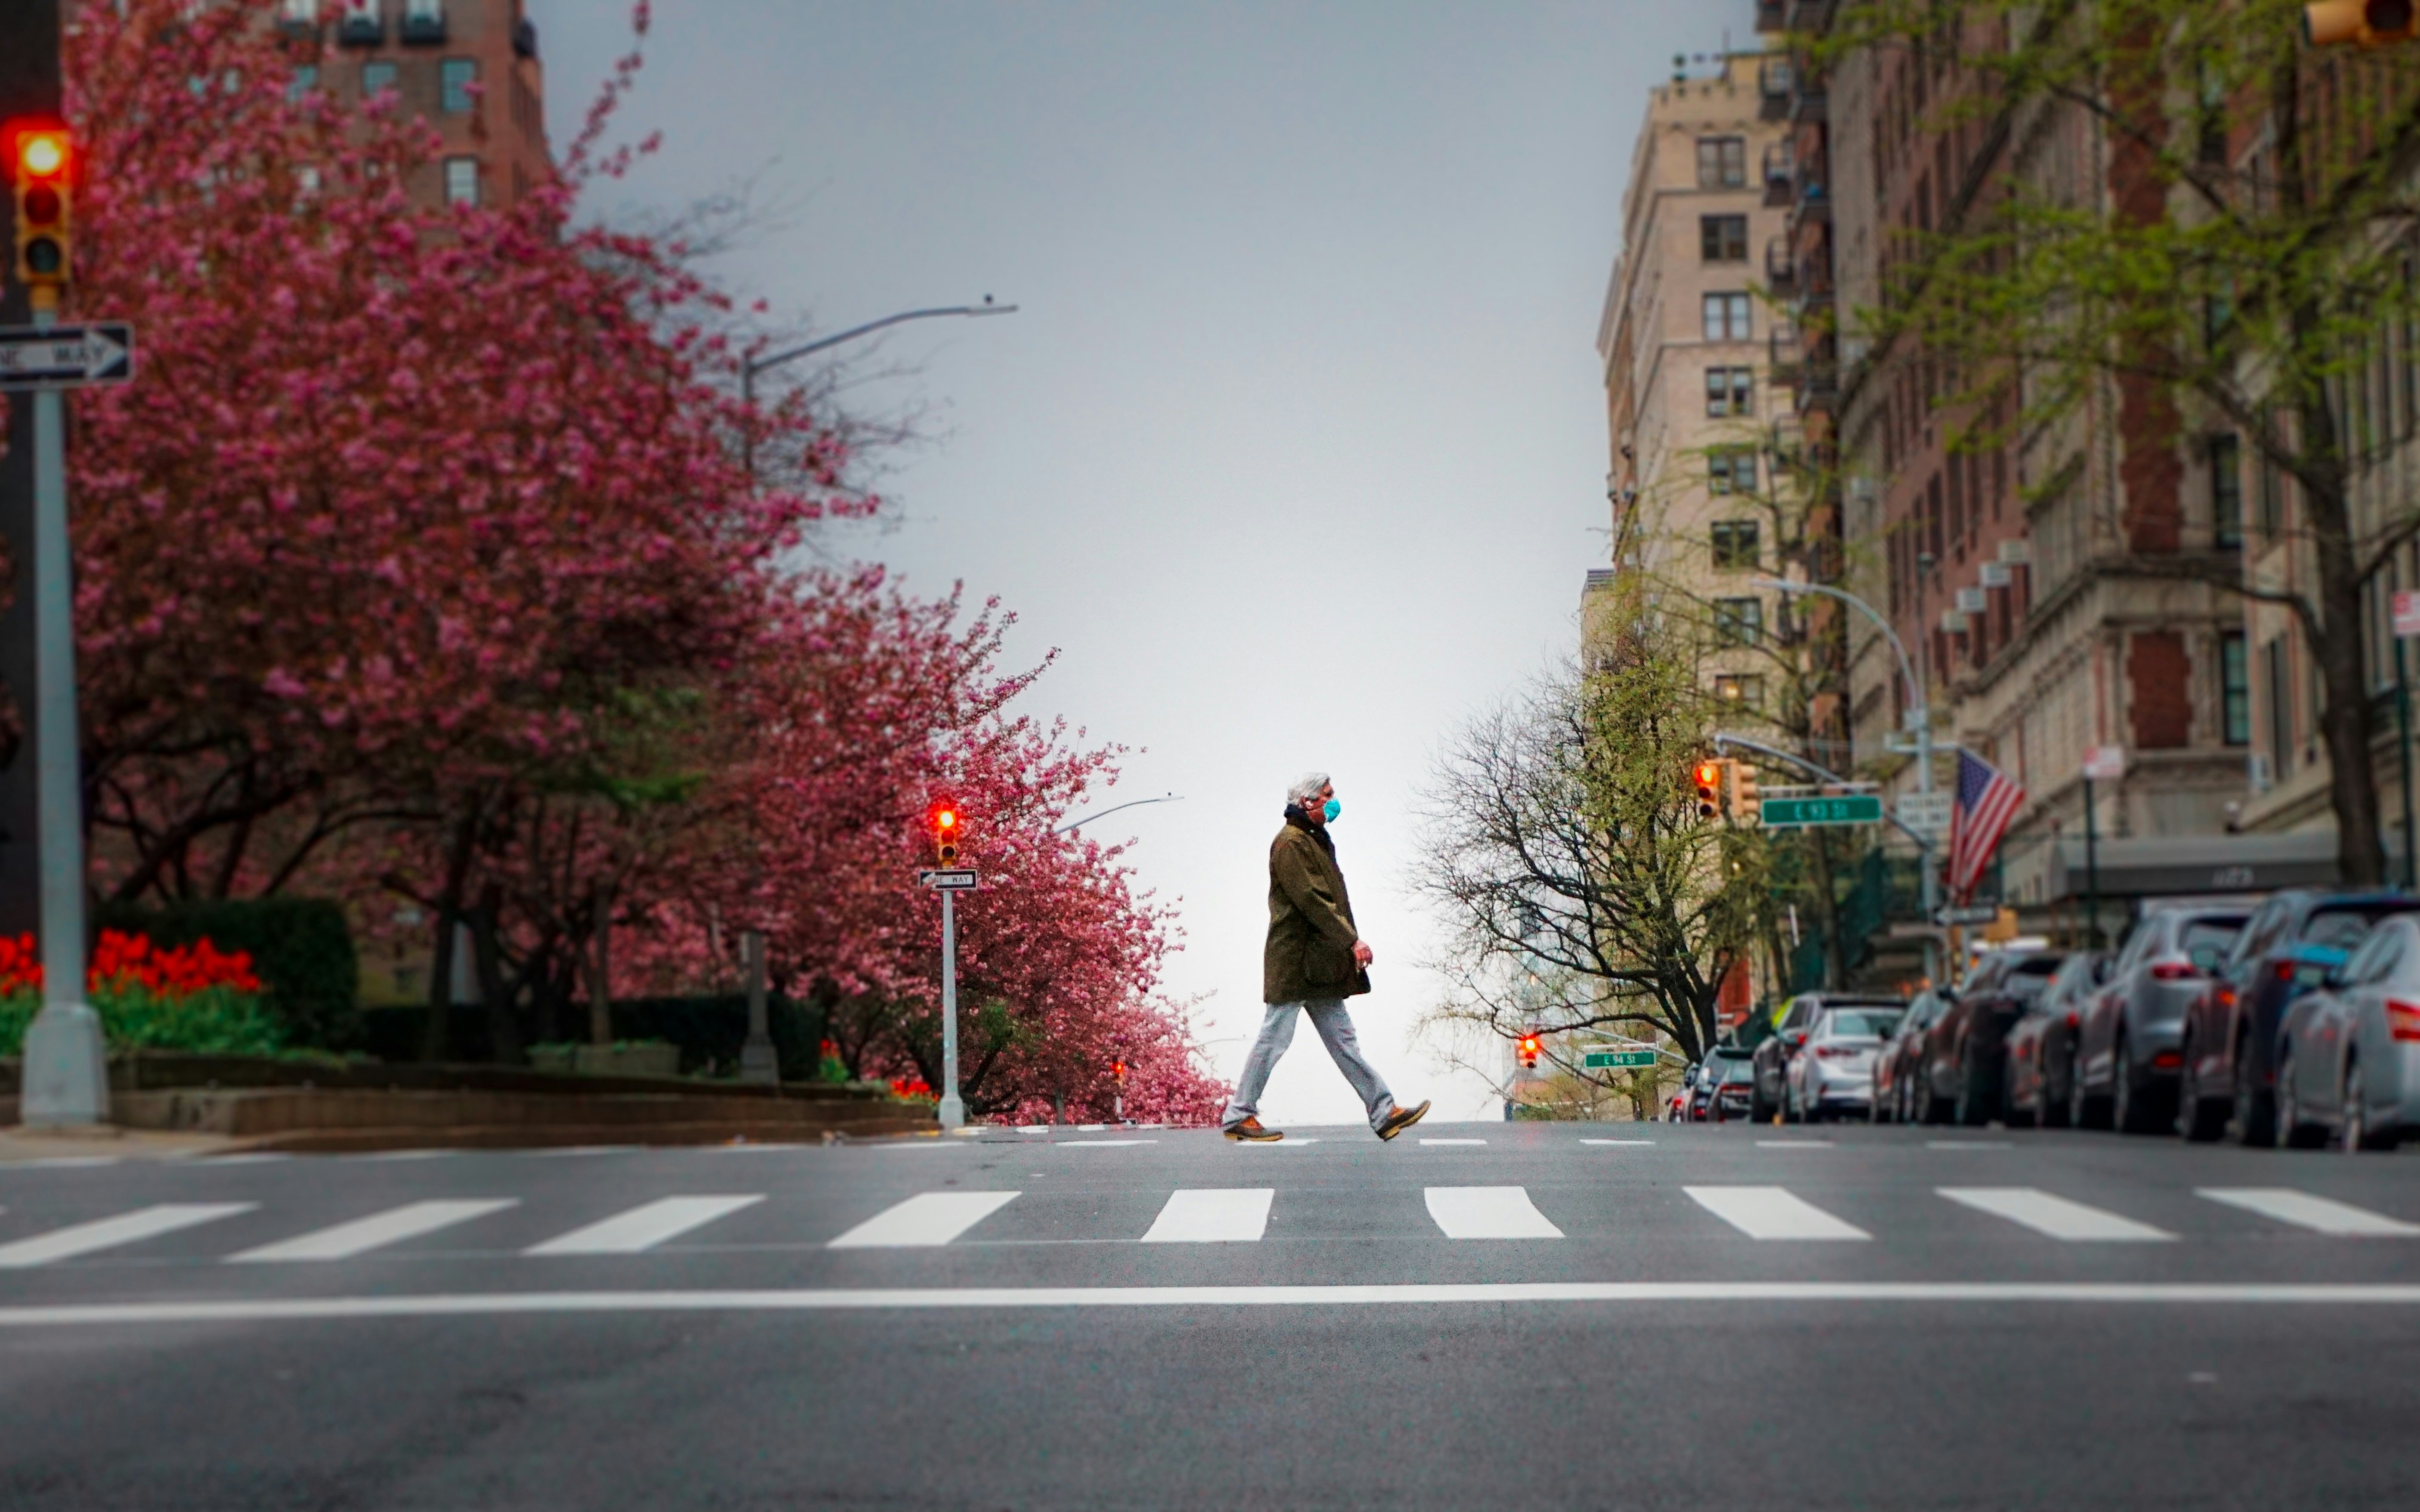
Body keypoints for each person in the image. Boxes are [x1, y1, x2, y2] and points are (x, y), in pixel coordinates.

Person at [1222, 772, 1430, 1143]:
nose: (1333, 802)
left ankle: (1383, 1111)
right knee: (1274, 1039)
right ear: (1307, 802)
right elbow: (1313, 902)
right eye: (1327, 795)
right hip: (1295, 963)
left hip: (1316, 965)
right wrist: (1351, 941)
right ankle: (1239, 1114)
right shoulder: (1290, 844)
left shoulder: (1312, 841)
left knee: (1344, 1042)